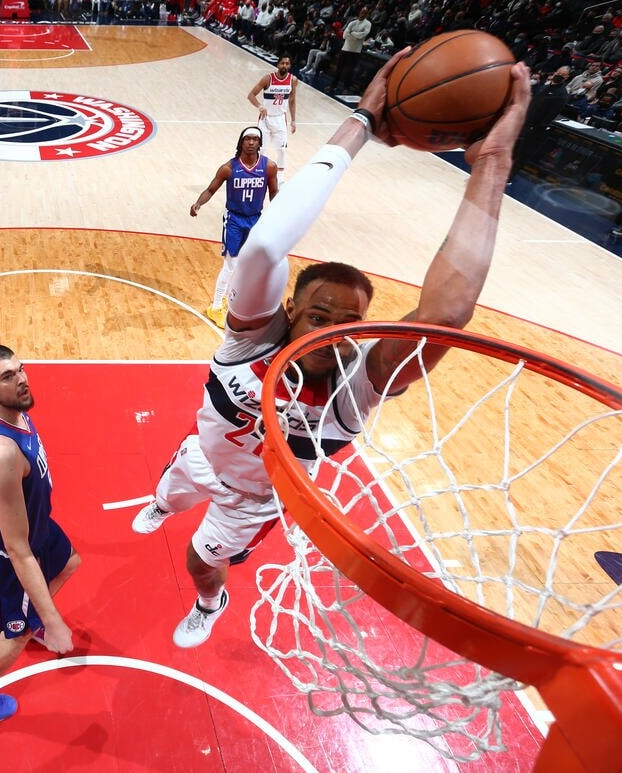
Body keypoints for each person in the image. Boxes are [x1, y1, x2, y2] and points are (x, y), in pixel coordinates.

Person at [132, 53, 530, 649]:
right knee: (168, 493)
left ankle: (210, 603)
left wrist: (492, 162)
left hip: (252, 498)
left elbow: (444, 315)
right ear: (290, 313)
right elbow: (265, 247)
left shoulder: (356, 386)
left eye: (350, 323)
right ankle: (168, 500)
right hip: (201, 455)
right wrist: (364, 118)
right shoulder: (250, 339)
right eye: (319, 316)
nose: (332, 332)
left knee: (198, 562)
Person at [0, 344, 80, 721]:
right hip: (15, 551)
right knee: (16, 633)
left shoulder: (11, 411)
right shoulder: (0, 452)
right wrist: (53, 621)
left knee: (70, 561)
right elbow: (17, 547)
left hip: (36, 522)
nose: (22, 379)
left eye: (20, 369)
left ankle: (33, 620)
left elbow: (3, 464)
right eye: (8, 376)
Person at [189, 126, 278, 329]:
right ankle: (216, 305)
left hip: (256, 218)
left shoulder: (269, 167)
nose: (251, 142)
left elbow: (274, 192)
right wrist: (198, 204)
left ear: (260, 143)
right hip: (235, 220)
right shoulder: (229, 167)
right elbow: (211, 189)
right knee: (231, 264)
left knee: (253, 264)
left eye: (255, 139)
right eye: (247, 139)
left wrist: (278, 215)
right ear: (241, 142)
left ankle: (240, 302)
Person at [248, 53, 298, 184]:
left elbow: (292, 101)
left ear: (290, 66)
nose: (284, 66)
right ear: (278, 64)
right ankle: (257, 174)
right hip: (265, 118)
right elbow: (251, 95)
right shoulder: (268, 79)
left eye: (287, 64)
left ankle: (280, 179)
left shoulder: (293, 80)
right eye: (282, 63)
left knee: (281, 150)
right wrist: (259, 106)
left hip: (280, 119)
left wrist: (293, 120)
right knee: (261, 149)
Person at [331, 6, 371, 94]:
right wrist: (355, 35)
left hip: (355, 51)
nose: (362, 13)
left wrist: (352, 34)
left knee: (350, 71)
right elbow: (345, 35)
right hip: (345, 49)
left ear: (367, 14)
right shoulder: (353, 22)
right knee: (339, 68)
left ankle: (346, 88)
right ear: (359, 12)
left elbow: (362, 35)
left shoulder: (368, 24)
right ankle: (333, 85)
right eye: (361, 11)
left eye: (364, 12)